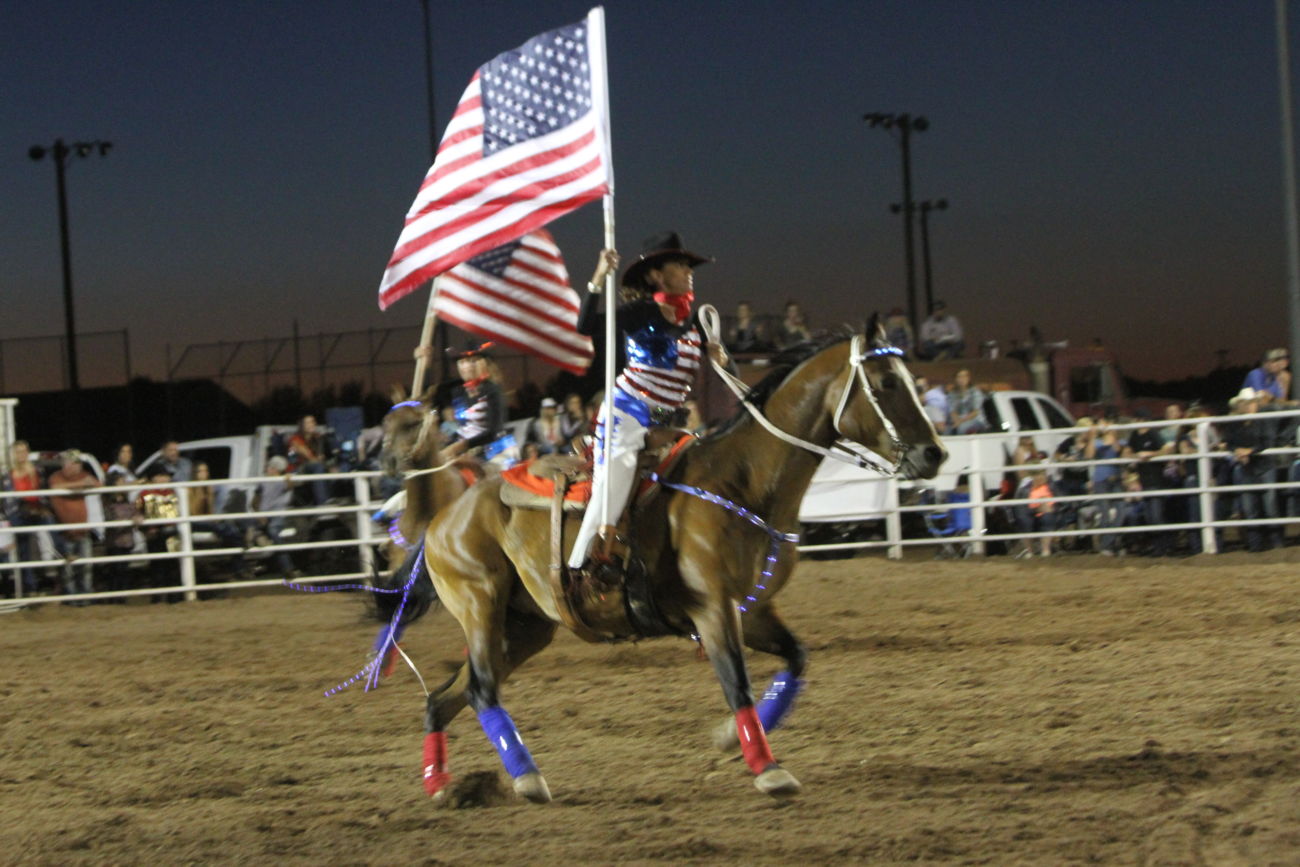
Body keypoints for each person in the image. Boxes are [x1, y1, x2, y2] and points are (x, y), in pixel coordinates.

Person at [566, 231, 727, 574]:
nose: (688, 270)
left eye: (688, 265)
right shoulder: (639, 312)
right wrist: (597, 277)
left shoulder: (695, 321)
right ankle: (591, 557)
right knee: (619, 470)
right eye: (680, 265)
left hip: (669, 421)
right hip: (628, 413)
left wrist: (718, 356)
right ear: (656, 274)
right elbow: (584, 325)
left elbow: (713, 366)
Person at [1224, 388, 1281, 552]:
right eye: (1244, 403)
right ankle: (1257, 545)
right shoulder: (1236, 423)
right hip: (1249, 467)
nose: (1247, 406)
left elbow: (1268, 441)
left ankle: (1275, 543)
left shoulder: (1262, 419)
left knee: (1269, 507)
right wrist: (1237, 451)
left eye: (1249, 403)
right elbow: (1229, 442)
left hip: (1263, 466)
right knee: (1250, 509)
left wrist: (1248, 451)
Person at [441, 344, 514, 465]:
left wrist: (462, 445)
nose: (466, 366)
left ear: (482, 364)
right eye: (462, 362)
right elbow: (464, 427)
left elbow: (494, 430)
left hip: (494, 451)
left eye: (471, 361)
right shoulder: (458, 392)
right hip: (465, 450)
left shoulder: (493, 390)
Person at [48, 450, 97, 601]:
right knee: (67, 568)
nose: (73, 465)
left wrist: (74, 485)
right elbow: (56, 487)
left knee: (85, 566)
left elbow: (96, 484)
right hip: (65, 531)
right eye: (70, 462)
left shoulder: (83, 475)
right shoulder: (56, 477)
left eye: (76, 462)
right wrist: (80, 485)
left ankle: (85, 596)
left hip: (82, 530)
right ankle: (72, 598)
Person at [5, 440, 51, 595]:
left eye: (24, 451)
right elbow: (8, 501)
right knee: (25, 549)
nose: (21, 454)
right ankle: (31, 586)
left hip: (37, 509)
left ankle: (63, 556)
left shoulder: (36, 469)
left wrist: (42, 508)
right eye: (18, 451)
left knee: (51, 533)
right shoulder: (9, 474)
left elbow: (43, 491)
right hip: (21, 512)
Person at [252, 455, 300, 578]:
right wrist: (259, 514)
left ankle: (287, 567)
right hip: (264, 515)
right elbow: (254, 501)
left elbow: (291, 485)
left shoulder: (283, 481)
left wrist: (288, 479)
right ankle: (284, 567)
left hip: (277, 515)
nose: (269, 469)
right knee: (252, 530)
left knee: (273, 531)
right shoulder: (263, 482)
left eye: (272, 467)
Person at [101, 471, 142, 601]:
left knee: (124, 570)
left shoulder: (126, 500)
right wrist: (130, 520)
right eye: (120, 482)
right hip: (115, 541)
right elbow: (110, 520)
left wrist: (136, 516)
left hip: (127, 540)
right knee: (115, 570)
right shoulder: (107, 501)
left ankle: (121, 598)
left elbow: (134, 512)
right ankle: (114, 597)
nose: (123, 484)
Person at [287, 414, 331, 504]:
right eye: (308, 422)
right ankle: (322, 503)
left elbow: (321, 456)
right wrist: (319, 460)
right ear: (302, 425)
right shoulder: (295, 438)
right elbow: (308, 456)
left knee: (334, 469)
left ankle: (330, 499)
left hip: (313, 466)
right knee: (318, 466)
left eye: (313, 422)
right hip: (297, 470)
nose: (311, 424)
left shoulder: (318, 438)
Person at [947, 369, 989, 434]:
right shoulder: (952, 394)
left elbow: (975, 412)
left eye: (964, 376)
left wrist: (960, 421)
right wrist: (956, 421)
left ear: (968, 378)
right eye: (959, 377)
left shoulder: (975, 392)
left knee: (962, 428)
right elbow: (952, 411)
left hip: (975, 419)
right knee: (947, 430)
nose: (961, 379)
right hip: (958, 420)